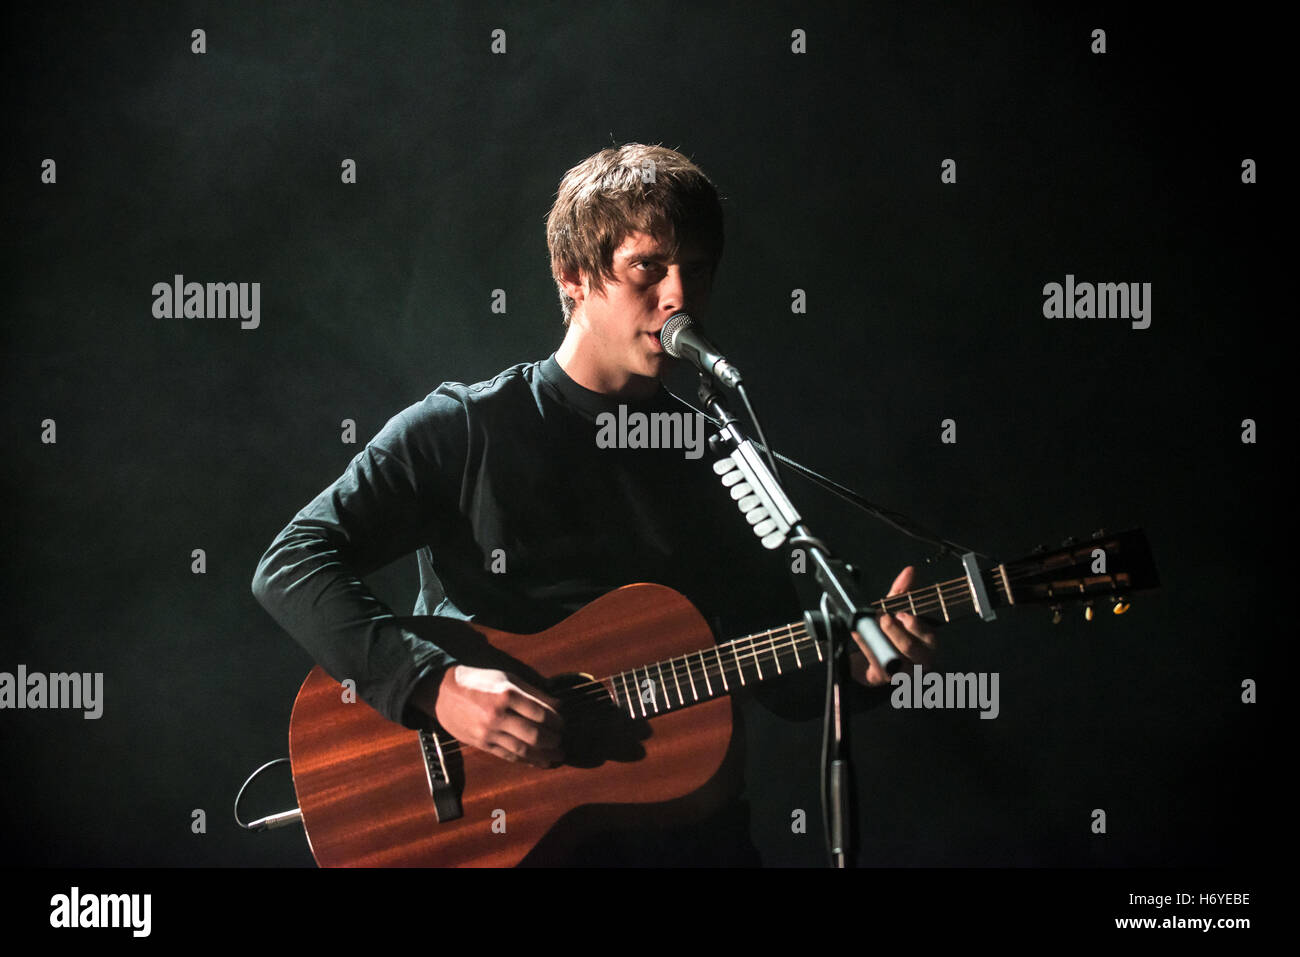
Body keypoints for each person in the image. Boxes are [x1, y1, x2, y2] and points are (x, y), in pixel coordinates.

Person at [250, 143, 936, 865]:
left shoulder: (713, 452)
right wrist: (433, 683)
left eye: (695, 271)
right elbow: (291, 563)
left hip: (687, 843)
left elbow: (762, 657)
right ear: (574, 276)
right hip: (506, 837)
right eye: (649, 266)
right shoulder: (465, 427)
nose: (678, 296)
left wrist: (856, 671)